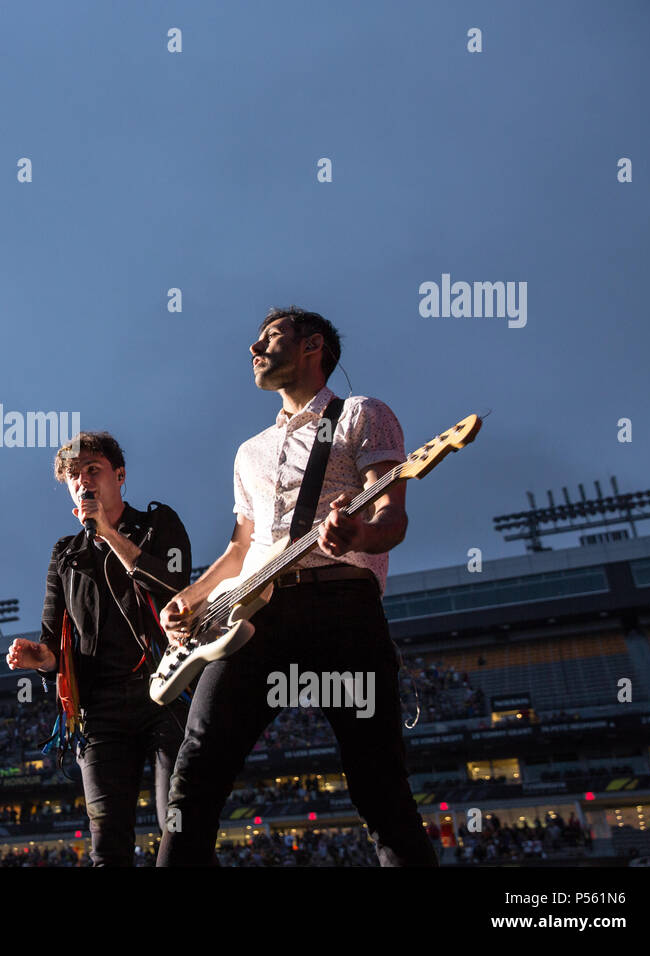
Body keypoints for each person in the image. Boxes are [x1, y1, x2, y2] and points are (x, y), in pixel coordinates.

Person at [156, 306, 438, 867]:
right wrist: (190, 597)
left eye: (270, 337)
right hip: (252, 617)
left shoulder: (362, 413)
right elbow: (240, 549)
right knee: (194, 774)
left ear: (313, 347)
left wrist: (360, 530)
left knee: (379, 786)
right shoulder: (249, 451)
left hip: (341, 606)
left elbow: (393, 518)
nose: (255, 348)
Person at [7, 431, 191, 865]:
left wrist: (109, 533)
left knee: (180, 826)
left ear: (120, 475)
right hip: (99, 711)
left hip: (167, 691)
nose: (83, 480)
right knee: (107, 844)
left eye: (93, 469)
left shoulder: (157, 524)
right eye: (74, 475)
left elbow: (177, 589)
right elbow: (53, 645)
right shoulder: (65, 555)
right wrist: (40, 659)